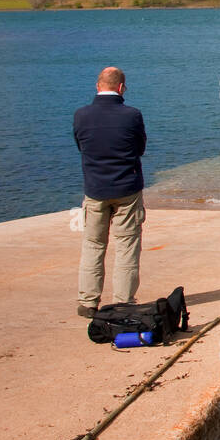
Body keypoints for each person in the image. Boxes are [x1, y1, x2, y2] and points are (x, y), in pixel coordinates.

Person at [73, 66, 147, 318]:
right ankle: (123, 302)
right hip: (127, 187)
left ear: (97, 86)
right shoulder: (132, 115)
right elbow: (140, 148)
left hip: (95, 188)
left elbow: (81, 146)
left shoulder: (81, 115)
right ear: (121, 88)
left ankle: (88, 301)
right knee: (127, 244)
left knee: (93, 244)